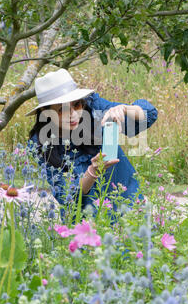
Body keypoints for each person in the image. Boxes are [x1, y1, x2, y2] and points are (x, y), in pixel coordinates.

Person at [26, 68, 158, 223]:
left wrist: (124, 109)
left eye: (76, 105)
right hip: (87, 225)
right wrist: (93, 171)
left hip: (128, 210)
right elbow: (66, 195)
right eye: (62, 110)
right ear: (45, 111)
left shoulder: (94, 107)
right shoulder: (40, 143)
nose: (73, 114)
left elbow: (148, 115)